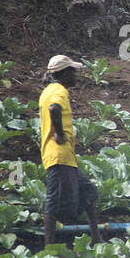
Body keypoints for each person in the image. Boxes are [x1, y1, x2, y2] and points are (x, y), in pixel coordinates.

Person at [39, 55, 102, 246]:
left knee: (88, 190)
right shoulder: (59, 91)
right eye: (73, 71)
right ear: (64, 73)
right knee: (53, 202)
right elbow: (54, 108)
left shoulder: (48, 90)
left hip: (66, 157)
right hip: (58, 156)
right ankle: (49, 247)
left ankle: (97, 238)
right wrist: (59, 133)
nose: (76, 75)